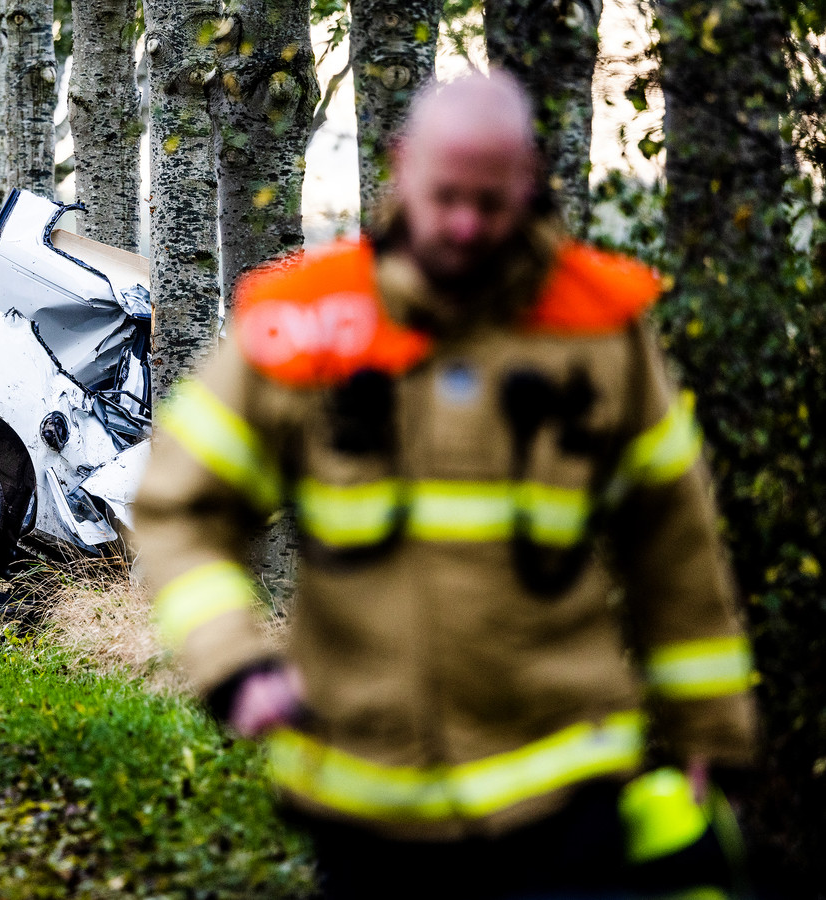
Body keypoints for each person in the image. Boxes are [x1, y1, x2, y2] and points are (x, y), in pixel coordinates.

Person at [132, 72, 757, 898]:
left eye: (490, 202)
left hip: (562, 786)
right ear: (401, 168)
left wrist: (710, 731)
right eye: (446, 197)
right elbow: (179, 510)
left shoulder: (597, 329)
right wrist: (234, 662)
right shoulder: (305, 321)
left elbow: (673, 544)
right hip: (362, 797)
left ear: (528, 181)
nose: (465, 224)